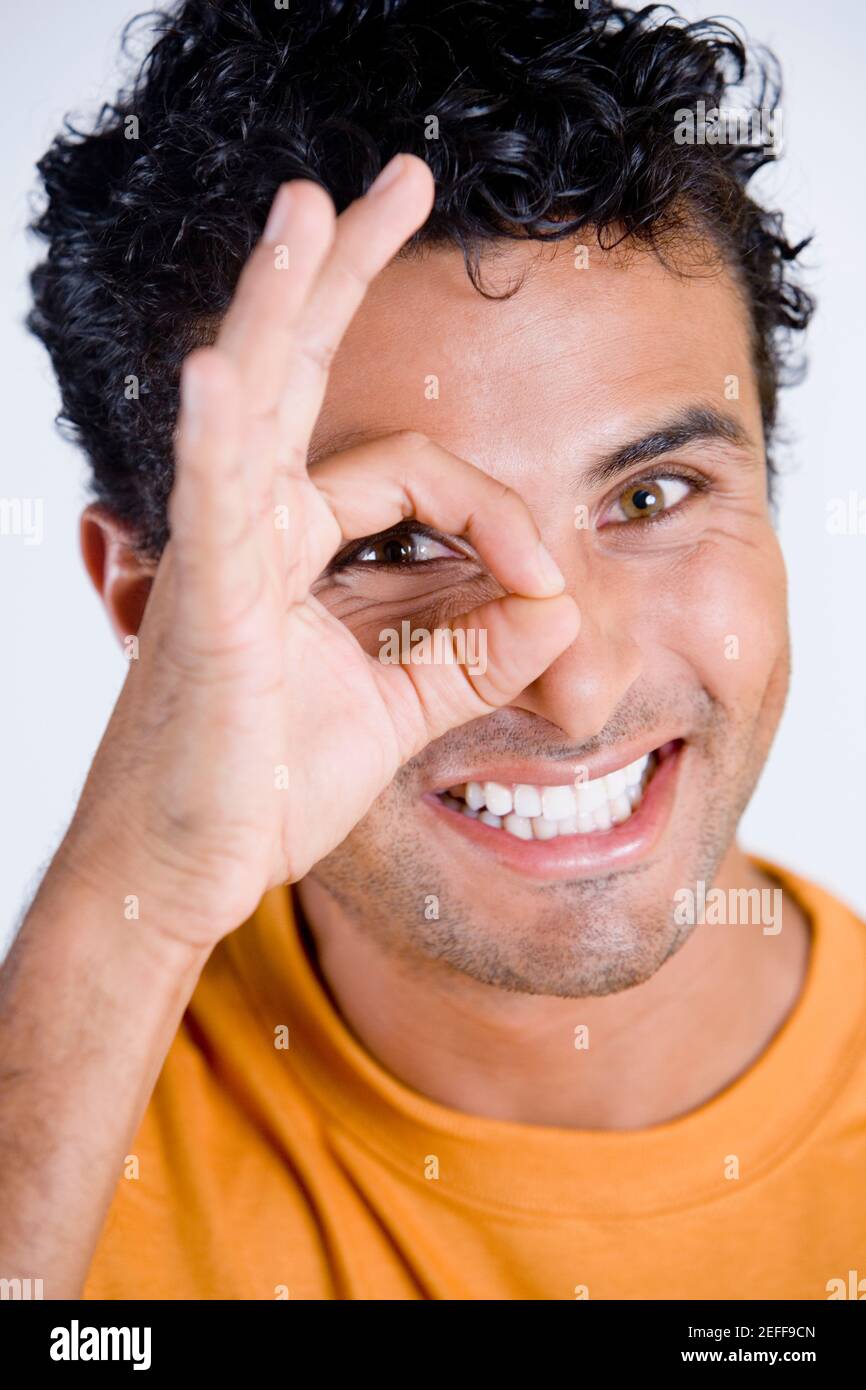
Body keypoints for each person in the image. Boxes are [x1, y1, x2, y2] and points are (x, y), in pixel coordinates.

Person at [3, 0, 863, 1301]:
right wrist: (142, 894)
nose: (571, 687)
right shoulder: (56, 1153)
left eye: (650, 497)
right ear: (142, 602)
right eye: (394, 544)